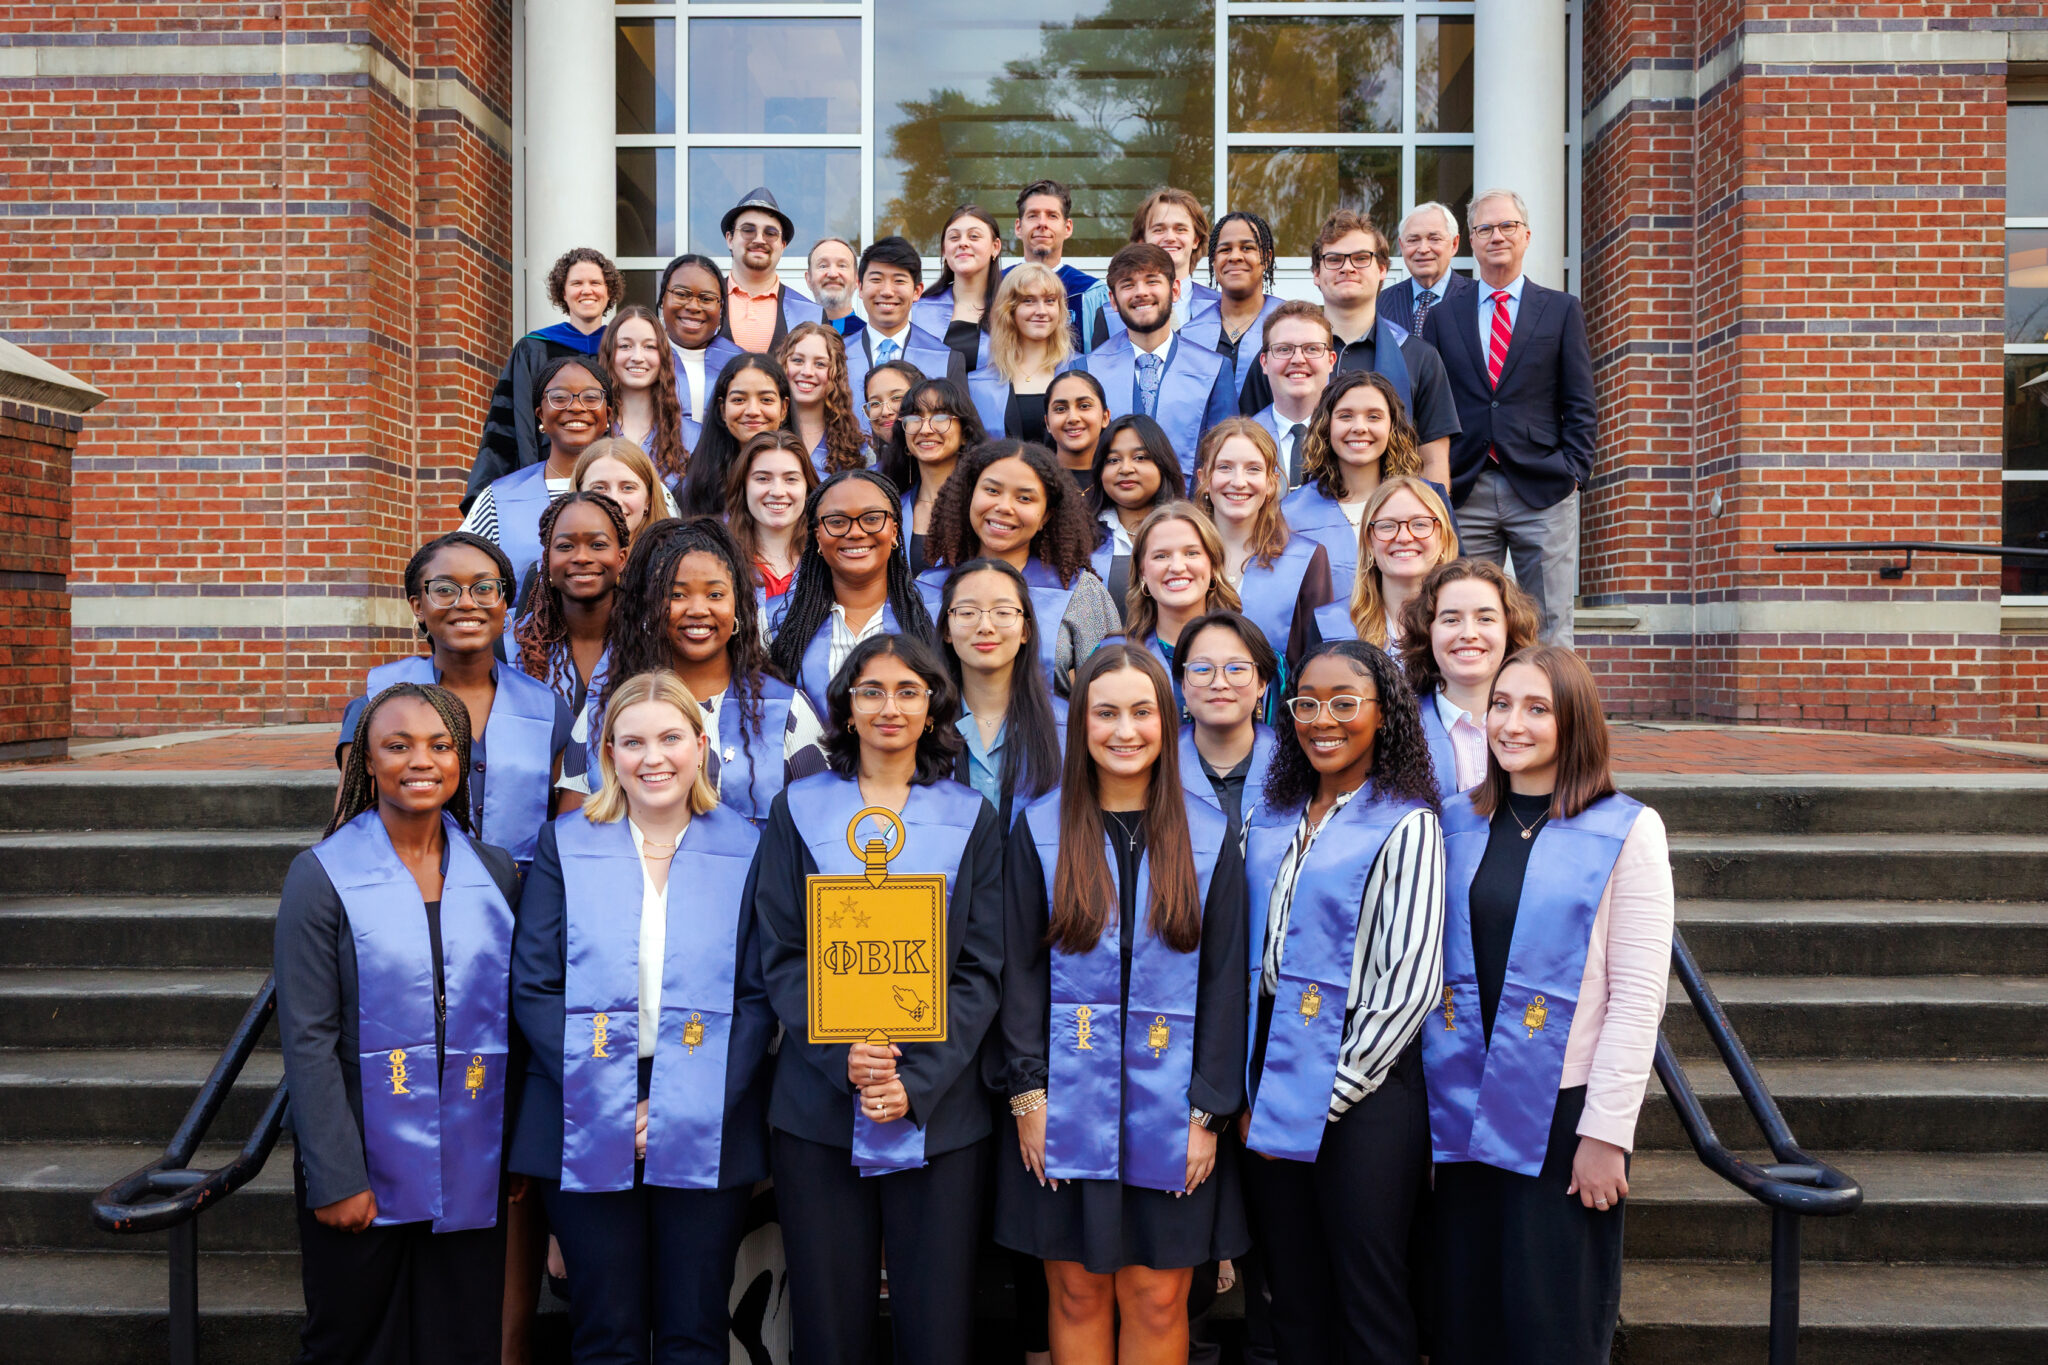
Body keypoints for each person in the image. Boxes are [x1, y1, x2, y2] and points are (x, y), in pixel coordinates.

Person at [751, 633, 1006, 1365]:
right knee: (829, 1331)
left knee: (936, 1328)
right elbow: (782, 952)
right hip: (819, 1105)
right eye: (871, 691)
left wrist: (910, 1077)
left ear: (933, 707)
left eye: (907, 690)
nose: (889, 706)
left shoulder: (971, 818)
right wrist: (846, 1057)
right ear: (847, 708)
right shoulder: (797, 809)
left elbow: (981, 968)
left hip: (941, 1104)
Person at [509, 668, 775, 1363]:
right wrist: (607, 1093)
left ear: (700, 743)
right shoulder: (565, 846)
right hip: (581, 1099)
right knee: (606, 1330)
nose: (652, 757)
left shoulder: (747, 849)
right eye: (632, 741)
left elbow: (758, 995)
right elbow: (535, 983)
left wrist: (691, 1098)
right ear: (607, 753)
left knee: (694, 1327)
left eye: (669, 737)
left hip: (710, 1102)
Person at [997, 644, 1248, 1364]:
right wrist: (1029, 1096)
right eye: (1105, 712)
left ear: (1168, 722)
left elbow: (1225, 981)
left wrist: (1208, 1112)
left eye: (1142, 711)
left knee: (1159, 1295)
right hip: (1064, 1104)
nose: (1124, 729)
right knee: (1076, 1292)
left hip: (1172, 1109)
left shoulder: (1207, 835)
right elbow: (1020, 974)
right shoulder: (1040, 830)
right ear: (1080, 725)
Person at [1426, 645, 1673, 1363]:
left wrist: (1607, 1133)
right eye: (1501, 704)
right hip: (1462, 1103)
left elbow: (1636, 998)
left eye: (1537, 708)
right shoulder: (1453, 821)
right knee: (1466, 1319)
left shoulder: (1627, 828)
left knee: (1551, 1325)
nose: (1512, 723)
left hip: (1562, 1112)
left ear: (1575, 722)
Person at [277, 679, 523, 1364]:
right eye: (398, 744)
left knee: (460, 1337)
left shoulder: (495, 872)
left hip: (468, 1153)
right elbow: (307, 1036)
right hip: (362, 1154)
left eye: (441, 744)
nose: (422, 760)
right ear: (366, 763)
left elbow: (513, 1017)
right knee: (354, 1341)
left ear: (462, 759)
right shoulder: (320, 875)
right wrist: (334, 1173)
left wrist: (513, 1147)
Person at [1239, 639, 1445, 1365]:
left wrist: (1326, 1094)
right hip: (1271, 1065)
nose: (1322, 719)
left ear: (1384, 714)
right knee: (1291, 1289)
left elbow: (1410, 979)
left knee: (1368, 1289)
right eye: (1306, 703)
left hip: (1365, 1088)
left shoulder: (1406, 821)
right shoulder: (1273, 815)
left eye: (1344, 703)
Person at [1423, 188, 1597, 648]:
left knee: (1551, 620)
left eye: (1507, 227)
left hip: (1543, 487)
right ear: (1470, 242)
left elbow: (1580, 400)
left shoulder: (1561, 309)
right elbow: (1433, 403)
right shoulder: (1443, 317)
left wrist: (1574, 470)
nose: (1496, 236)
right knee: (1467, 617)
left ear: (1526, 236)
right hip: (1466, 488)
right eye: (1485, 228)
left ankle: (1554, 716)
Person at [563, 518, 826, 822]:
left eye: (715, 594)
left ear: (738, 604)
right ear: (650, 606)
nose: (699, 609)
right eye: (677, 594)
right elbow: (572, 837)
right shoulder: (605, 711)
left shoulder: (786, 710)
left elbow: (818, 828)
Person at [337, 533, 574, 867]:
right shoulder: (376, 703)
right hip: (407, 895)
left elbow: (567, 831)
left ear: (504, 602)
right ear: (418, 606)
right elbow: (351, 827)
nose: (466, 603)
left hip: (521, 904)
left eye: (484, 588)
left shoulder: (547, 710)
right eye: (445, 590)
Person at [918, 438, 1120, 692]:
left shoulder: (1079, 592)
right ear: (969, 496)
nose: (1004, 507)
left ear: (1046, 515)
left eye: (1024, 498)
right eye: (991, 491)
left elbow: (1111, 689)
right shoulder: (926, 591)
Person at [1303, 210, 1459, 488]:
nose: (1347, 268)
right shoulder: (1286, 355)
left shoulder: (1420, 357)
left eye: (1361, 258)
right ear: (1316, 273)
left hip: (1393, 518)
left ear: (1383, 270)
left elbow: (1433, 460)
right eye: (1334, 259)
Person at [767, 470, 941, 715]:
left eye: (871, 519)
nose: (856, 532)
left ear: (893, 531)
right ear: (818, 536)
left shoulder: (938, 611)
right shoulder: (778, 620)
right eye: (837, 521)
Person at [467, 246, 622, 511]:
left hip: (614, 470)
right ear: (564, 292)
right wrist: (528, 479)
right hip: (547, 471)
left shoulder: (624, 347)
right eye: (577, 283)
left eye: (596, 283)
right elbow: (516, 420)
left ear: (609, 292)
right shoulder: (533, 348)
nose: (587, 290)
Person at [1191, 419, 1332, 685]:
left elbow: (1317, 660)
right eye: (1224, 468)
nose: (1238, 481)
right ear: (1204, 480)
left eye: (1253, 469)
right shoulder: (1182, 557)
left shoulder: (1305, 558)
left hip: (1275, 715)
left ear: (1271, 483)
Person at [936, 557, 1066, 827]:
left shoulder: (1066, 725)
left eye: (1003, 612)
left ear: (1025, 630)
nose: (986, 626)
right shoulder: (921, 724)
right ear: (947, 630)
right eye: (968, 612)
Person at [462, 356, 612, 590]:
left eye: (591, 397)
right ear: (540, 414)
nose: (575, 407)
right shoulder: (498, 498)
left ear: (607, 414)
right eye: (559, 398)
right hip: (520, 626)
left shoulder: (638, 487)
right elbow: (460, 571)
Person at [1083, 244, 1236, 471]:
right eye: (1128, 284)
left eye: (1152, 281)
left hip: (1187, 504)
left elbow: (1225, 455)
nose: (1141, 292)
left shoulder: (1213, 370)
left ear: (1175, 291)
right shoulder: (1087, 370)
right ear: (1113, 300)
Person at [1396, 558, 1540, 799]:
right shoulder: (1397, 725)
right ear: (1427, 631)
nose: (1469, 634)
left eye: (1485, 619)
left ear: (1509, 628)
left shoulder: (1546, 723)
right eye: (1451, 620)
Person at [1281, 370, 1427, 591]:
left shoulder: (1427, 504)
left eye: (1374, 416)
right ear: (1326, 425)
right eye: (1346, 416)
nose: (1359, 427)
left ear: (1392, 426)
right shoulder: (1292, 512)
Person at [1311, 475, 1460, 655]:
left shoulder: (1467, 627)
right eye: (1387, 526)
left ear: (1443, 539)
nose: (1404, 537)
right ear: (1369, 543)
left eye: (1420, 524)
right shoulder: (1331, 626)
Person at [513, 492, 630, 714]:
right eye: (565, 546)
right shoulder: (510, 647)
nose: (582, 557)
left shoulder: (650, 642)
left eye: (597, 545)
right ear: (547, 559)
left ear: (621, 559)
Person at [1170, 609, 1279, 838]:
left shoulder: (1293, 769)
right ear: (1183, 685)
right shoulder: (1158, 770)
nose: (1219, 683)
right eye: (1202, 669)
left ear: (1262, 684)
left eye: (1237, 668)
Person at [1125, 504, 1243, 704]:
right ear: (1142, 572)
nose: (1177, 567)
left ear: (1214, 565)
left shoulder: (1250, 656)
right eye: (1161, 556)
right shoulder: (1114, 655)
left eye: (1191, 553)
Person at [874, 378, 989, 574]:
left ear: (965, 434)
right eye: (914, 419)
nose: (925, 430)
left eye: (941, 417)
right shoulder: (889, 506)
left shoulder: (985, 504)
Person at [1080, 186, 1220, 347]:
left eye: (1180, 229)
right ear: (1142, 239)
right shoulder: (1109, 314)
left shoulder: (1218, 307)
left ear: (1196, 240)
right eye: (1159, 229)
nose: (1170, 237)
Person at [844, 236, 960, 421]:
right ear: (860, 287)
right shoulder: (838, 355)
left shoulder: (946, 358)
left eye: (899, 281)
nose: (887, 291)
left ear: (917, 291)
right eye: (876, 279)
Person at [1181, 212, 1285, 412]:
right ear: (1213, 261)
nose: (1235, 257)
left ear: (1267, 258)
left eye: (1247, 248)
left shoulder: (1291, 327)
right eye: (1225, 249)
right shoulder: (1188, 336)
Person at [967, 263, 1081, 444]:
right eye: (1028, 301)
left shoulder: (1083, 370)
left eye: (1050, 301)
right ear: (1009, 310)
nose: (1041, 311)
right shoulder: (977, 384)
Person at [675, 354, 795, 519]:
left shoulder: (800, 481)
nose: (752, 411)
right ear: (723, 409)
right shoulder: (697, 485)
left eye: (766, 400)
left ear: (784, 409)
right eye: (739, 400)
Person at [1087, 414, 1188, 610]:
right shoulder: (1079, 535)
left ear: (1162, 464)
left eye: (1139, 458)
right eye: (1113, 460)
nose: (1125, 468)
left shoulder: (1191, 529)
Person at [723, 430, 818, 622]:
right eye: (763, 478)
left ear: (807, 488)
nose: (777, 491)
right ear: (743, 487)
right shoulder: (720, 558)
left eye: (791, 479)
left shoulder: (826, 559)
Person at [719, 187, 823, 354]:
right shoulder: (705, 302)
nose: (759, 239)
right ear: (730, 239)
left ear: (782, 245)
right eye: (748, 230)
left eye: (770, 233)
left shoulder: (810, 315)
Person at [1251, 300, 1339, 486]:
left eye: (1312, 349)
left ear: (1331, 361)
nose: (1298, 359)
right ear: (1264, 362)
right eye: (1284, 349)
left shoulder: (1350, 437)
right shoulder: (1244, 440)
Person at [602, 304, 691, 486]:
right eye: (625, 346)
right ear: (610, 353)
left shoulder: (693, 437)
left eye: (649, 346)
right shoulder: (594, 432)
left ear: (663, 356)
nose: (637, 357)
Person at [655, 253, 745, 430]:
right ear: (663, 299)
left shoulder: (740, 363)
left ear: (721, 307)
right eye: (681, 294)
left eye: (706, 299)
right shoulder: (641, 357)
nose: (693, 306)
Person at [913, 204, 1003, 373]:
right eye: (954, 238)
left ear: (995, 247)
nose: (963, 243)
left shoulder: (1011, 309)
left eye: (974, 236)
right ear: (944, 251)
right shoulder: (919, 309)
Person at [1011, 179, 1098, 348]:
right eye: (1033, 215)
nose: (1042, 223)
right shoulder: (997, 286)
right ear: (1018, 227)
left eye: (1052, 216)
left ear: (1068, 227)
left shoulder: (1091, 293)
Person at [776, 321, 865, 476]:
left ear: (836, 375)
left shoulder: (857, 448)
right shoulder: (765, 433)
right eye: (797, 360)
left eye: (820, 364)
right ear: (783, 364)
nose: (807, 371)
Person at [1381, 202, 1470, 337]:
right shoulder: (1380, 303)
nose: (1423, 249)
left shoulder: (1476, 298)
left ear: (1454, 244)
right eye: (1413, 240)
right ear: (1401, 245)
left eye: (1434, 239)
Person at [572, 437, 679, 541]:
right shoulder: (559, 557)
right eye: (599, 488)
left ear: (648, 498)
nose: (614, 500)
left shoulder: (676, 557)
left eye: (628, 488)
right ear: (578, 493)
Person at [1045, 369, 1111, 486]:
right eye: (1060, 409)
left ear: (1105, 418)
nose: (1073, 418)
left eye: (1084, 406)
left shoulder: (1120, 479)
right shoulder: (1033, 480)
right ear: (1047, 423)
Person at [863, 358, 926, 462]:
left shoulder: (943, 463)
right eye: (874, 403)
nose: (885, 412)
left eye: (896, 398)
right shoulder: (873, 474)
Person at [805, 236, 866, 342]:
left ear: (857, 280)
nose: (833, 274)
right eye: (823, 266)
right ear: (808, 279)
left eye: (842, 265)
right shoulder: (791, 338)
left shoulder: (871, 340)